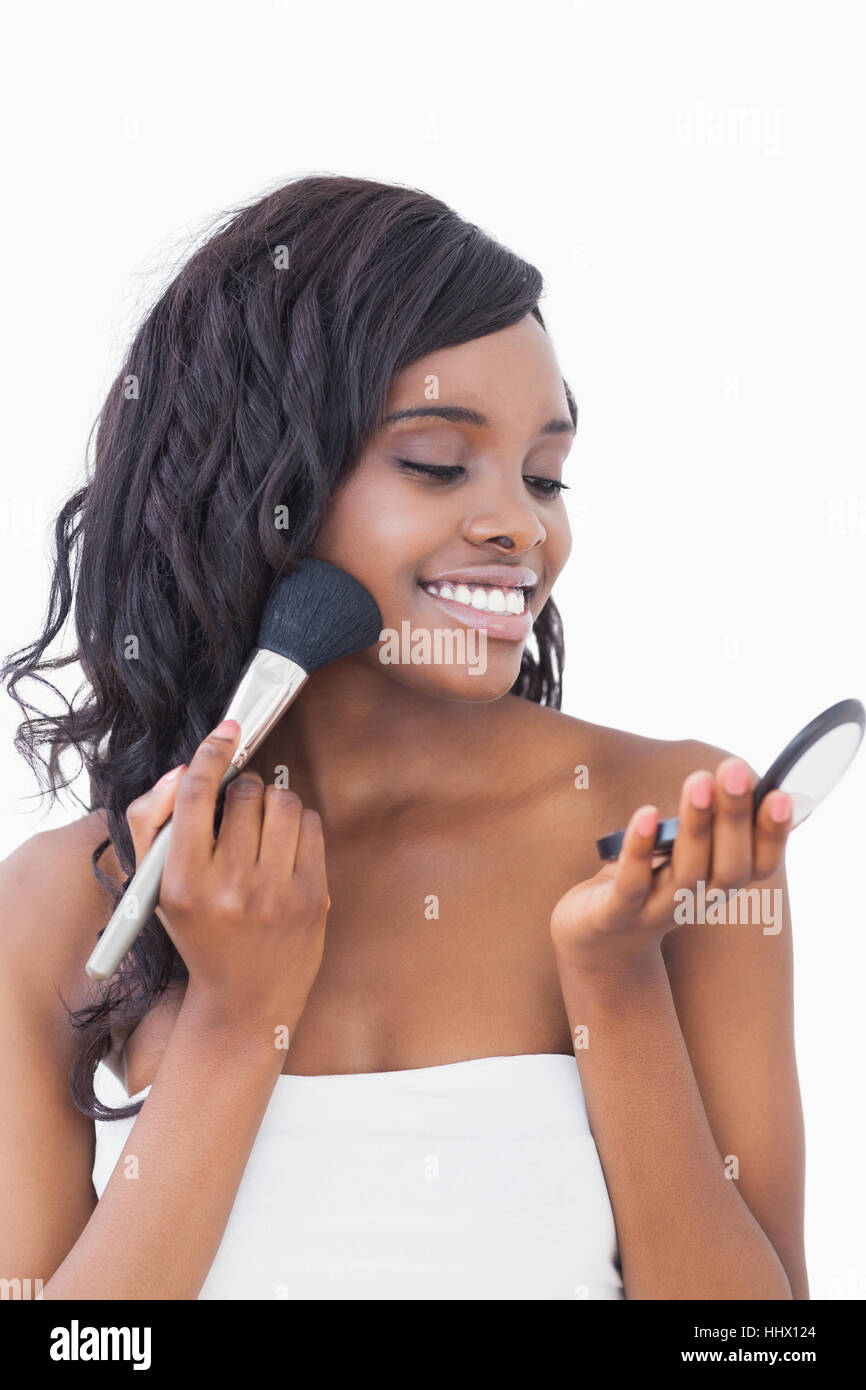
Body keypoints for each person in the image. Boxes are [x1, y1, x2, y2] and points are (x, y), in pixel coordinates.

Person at [0, 174, 807, 1300]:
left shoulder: (662, 826)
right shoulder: (65, 905)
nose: (520, 525)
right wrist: (234, 1021)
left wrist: (616, 982)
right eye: (435, 462)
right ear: (256, 478)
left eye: (545, 475)